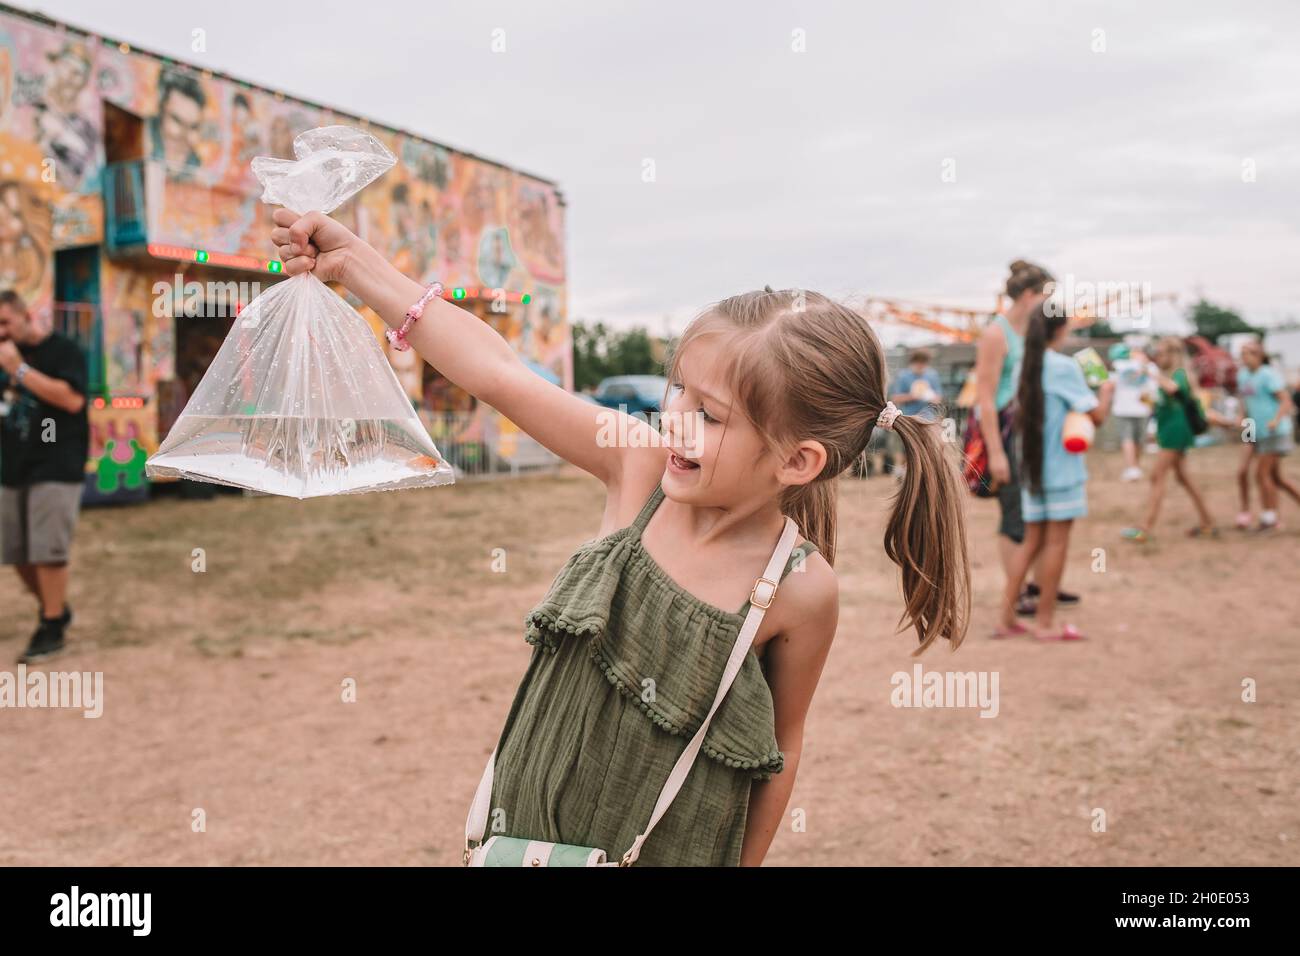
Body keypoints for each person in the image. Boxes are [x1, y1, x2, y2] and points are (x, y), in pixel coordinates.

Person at [269, 208, 971, 866]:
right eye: (679, 394)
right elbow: (502, 375)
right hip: (524, 845)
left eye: (711, 415)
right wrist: (357, 265)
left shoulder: (798, 591)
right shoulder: (636, 468)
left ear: (797, 460)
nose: (676, 422)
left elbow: (782, 747)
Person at [997, 303, 1113, 641]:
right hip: (1061, 469)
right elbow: (1096, 417)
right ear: (1059, 330)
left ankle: (1006, 618)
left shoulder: (1022, 365)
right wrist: (1106, 393)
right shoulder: (1063, 367)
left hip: (1031, 469)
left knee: (1031, 542)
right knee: (1056, 544)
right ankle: (1045, 622)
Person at [973, 259, 1076, 617]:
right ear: (1029, 295)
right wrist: (997, 453)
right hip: (1005, 434)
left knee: (1039, 512)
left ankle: (1040, 583)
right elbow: (985, 397)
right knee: (1015, 516)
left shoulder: (1029, 332)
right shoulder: (995, 334)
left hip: (1032, 434)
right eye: (1047, 295)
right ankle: (1015, 594)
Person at [0, 290, 90, 662]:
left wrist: (18, 369)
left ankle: (51, 625)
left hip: (56, 462)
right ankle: (55, 608)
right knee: (16, 551)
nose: (0, 331)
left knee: (47, 551)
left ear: (25, 316)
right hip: (11, 464)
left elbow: (71, 400)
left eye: (5, 322)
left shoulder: (63, 351)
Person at [1121, 337, 1216, 542]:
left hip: (1176, 431)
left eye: (1162, 352)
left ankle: (1145, 528)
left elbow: (1174, 389)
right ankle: (1208, 521)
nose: (1158, 355)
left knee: (1157, 477)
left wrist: (1151, 372)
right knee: (1184, 478)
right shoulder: (1167, 375)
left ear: (1172, 354)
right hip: (1168, 430)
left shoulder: (1180, 374)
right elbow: (1164, 399)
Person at [1236, 338, 1298, 531]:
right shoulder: (1243, 375)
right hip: (1253, 430)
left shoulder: (1268, 375)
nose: (1244, 356)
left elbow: (1285, 401)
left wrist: (1276, 420)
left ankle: (1269, 518)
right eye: (1243, 353)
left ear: (1260, 356)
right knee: (1271, 477)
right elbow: (1245, 404)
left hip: (1274, 431)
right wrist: (1242, 423)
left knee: (1261, 474)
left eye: (1249, 353)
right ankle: (1252, 514)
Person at [884, 348, 943, 478]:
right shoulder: (903, 376)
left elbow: (938, 398)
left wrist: (930, 396)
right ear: (914, 362)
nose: (922, 366)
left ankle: (926, 470)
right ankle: (902, 469)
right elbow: (895, 398)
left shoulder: (932, 375)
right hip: (907, 417)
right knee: (905, 446)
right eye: (919, 363)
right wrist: (913, 396)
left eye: (924, 363)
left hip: (928, 418)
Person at [1109, 342, 1158, 481]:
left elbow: (1108, 384)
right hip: (1142, 409)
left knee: (1127, 439)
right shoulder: (1150, 367)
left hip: (1122, 408)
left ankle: (1132, 468)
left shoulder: (1117, 366)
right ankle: (1135, 466)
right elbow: (1152, 390)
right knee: (1138, 440)